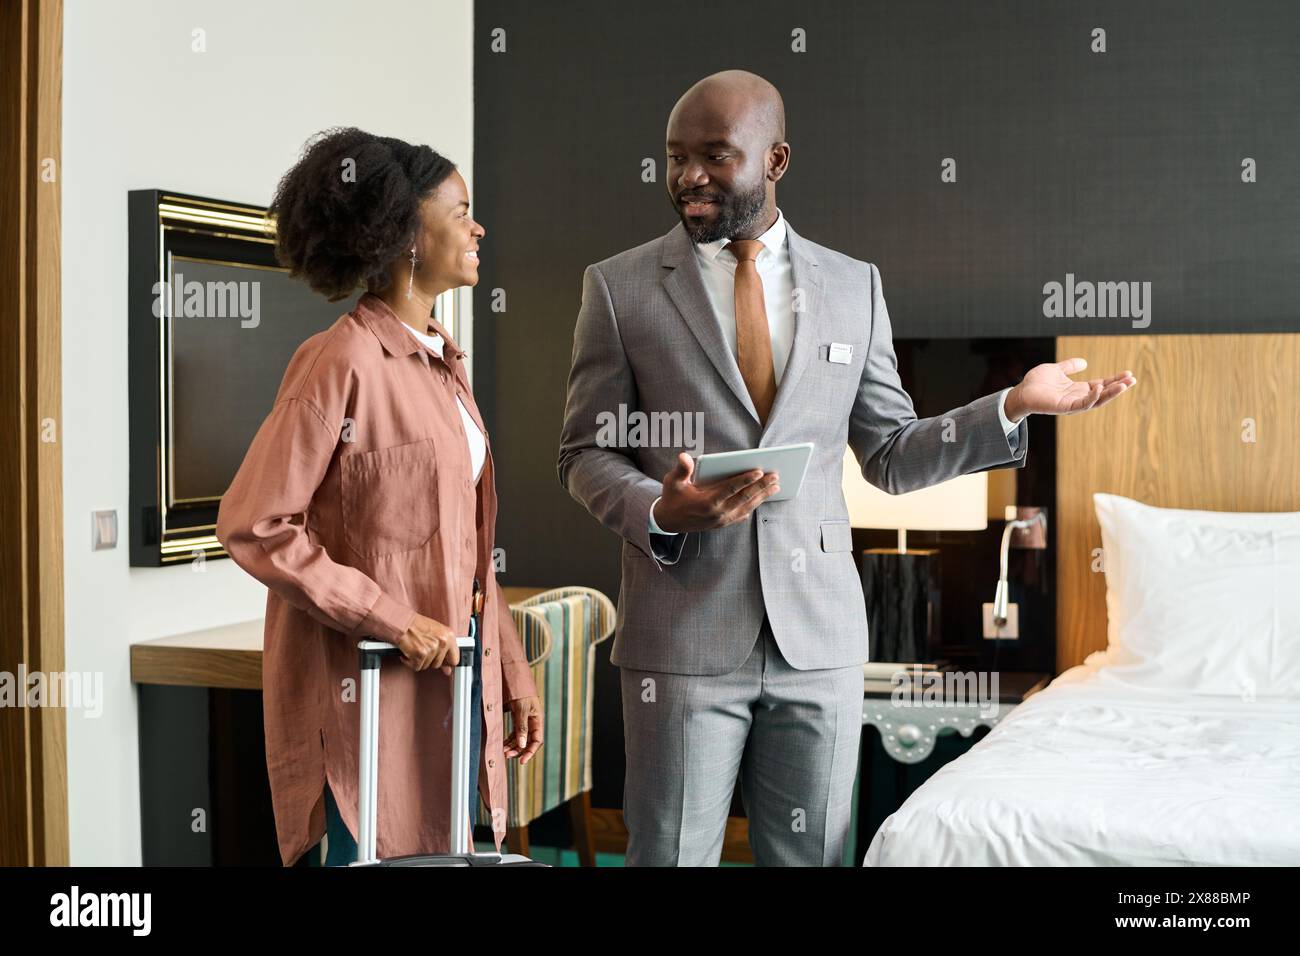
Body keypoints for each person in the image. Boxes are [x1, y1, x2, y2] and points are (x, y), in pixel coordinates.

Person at [557, 70, 1135, 866]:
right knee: (669, 854)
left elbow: (892, 456)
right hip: (681, 638)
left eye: (715, 156)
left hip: (819, 640)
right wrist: (661, 509)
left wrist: (1010, 408)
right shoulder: (619, 289)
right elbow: (585, 452)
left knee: (813, 857)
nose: (688, 175)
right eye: (675, 157)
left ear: (777, 160)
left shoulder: (853, 287)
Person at [216, 128, 543, 867]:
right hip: (363, 696)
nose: (477, 226)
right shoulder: (341, 359)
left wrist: (510, 669)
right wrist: (393, 619)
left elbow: (465, 553)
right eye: (459, 210)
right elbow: (255, 523)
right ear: (404, 234)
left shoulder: (444, 366)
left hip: (451, 687)